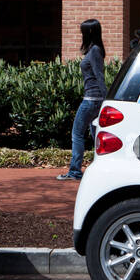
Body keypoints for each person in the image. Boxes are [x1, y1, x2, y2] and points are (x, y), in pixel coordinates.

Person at [58, 19, 106, 181]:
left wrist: (106, 100)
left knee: (77, 134)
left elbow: (99, 76)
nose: (81, 34)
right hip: (94, 100)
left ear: (90, 33)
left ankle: (75, 171)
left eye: (83, 31)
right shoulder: (94, 50)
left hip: (92, 100)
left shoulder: (94, 51)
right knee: (96, 136)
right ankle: (100, 169)